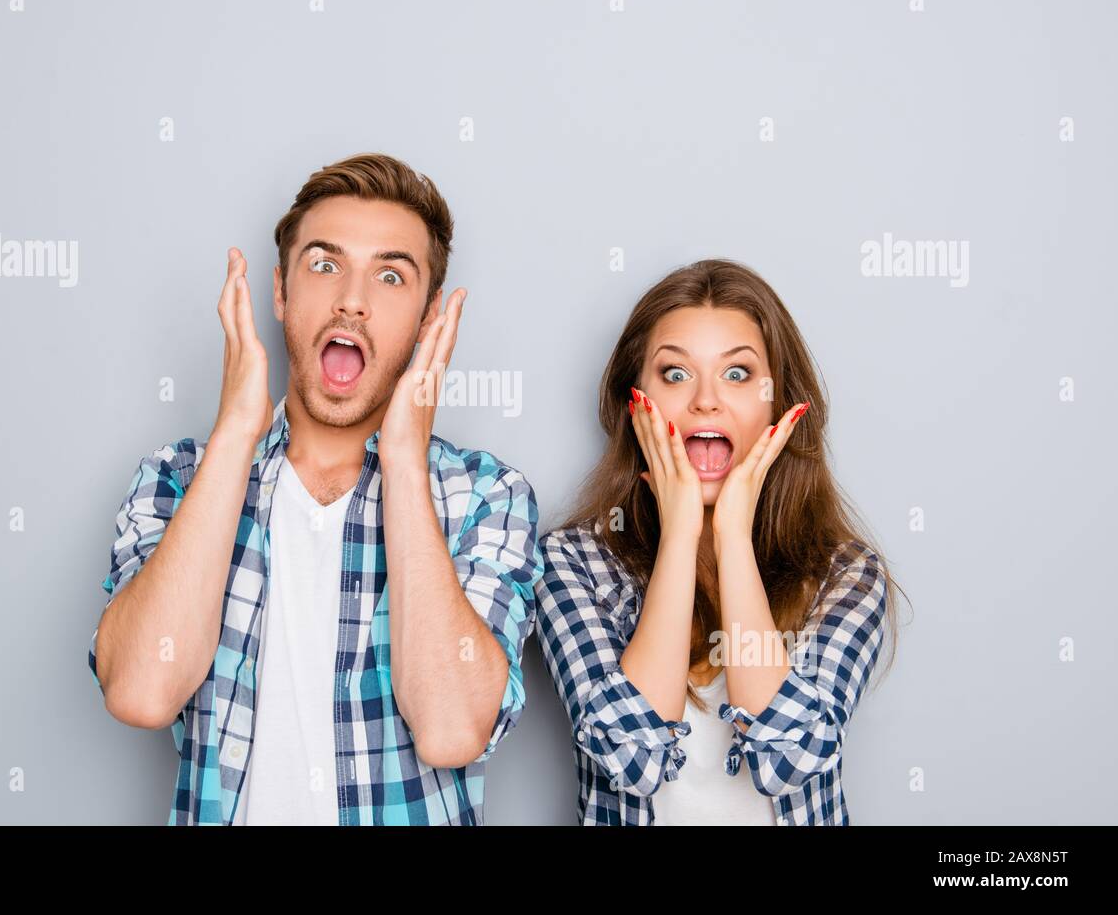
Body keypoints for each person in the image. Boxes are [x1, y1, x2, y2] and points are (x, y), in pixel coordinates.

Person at [88, 153, 542, 825]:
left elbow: (452, 728)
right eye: (325, 265)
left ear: (427, 318)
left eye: (391, 275)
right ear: (279, 291)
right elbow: (142, 690)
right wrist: (237, 430)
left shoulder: (485, 497)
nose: (352, 299)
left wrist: (404, 464)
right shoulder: (178, 478)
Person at [535, 259, 907, 825]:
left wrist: (733, 535)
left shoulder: (845, 577)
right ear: (636, 403)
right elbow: (631, 757)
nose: (706, 402)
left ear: (779, 405)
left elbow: (788, 761)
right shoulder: (572, 563)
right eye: (676, 374)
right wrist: (681, 535)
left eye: (737, 375)